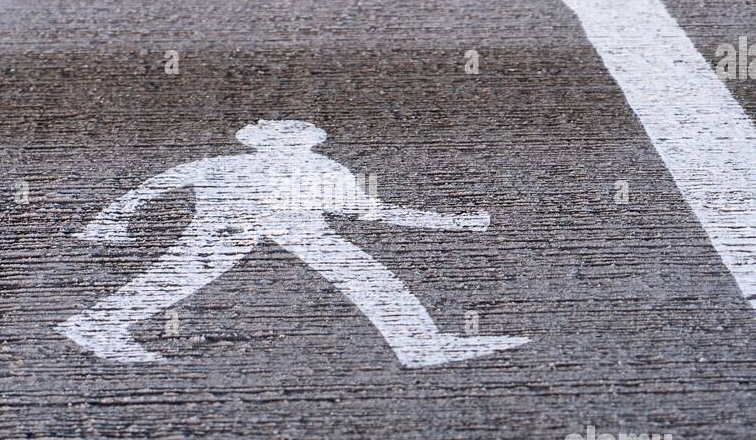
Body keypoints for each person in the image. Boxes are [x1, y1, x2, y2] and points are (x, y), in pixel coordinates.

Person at [58, 119, 529, 367]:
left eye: (297, 136)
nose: (289, 141)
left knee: (368, 276)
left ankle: (422, 343)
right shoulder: (229, 166)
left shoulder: (323, 171)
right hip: (231, 228)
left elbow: (371, 212)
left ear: (311, 142)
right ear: (257, 141)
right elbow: (161, 183)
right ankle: (96, 325)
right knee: (171, 280)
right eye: (278, 136)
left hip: (297, 227)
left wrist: (452, 223)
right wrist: (112, 218)